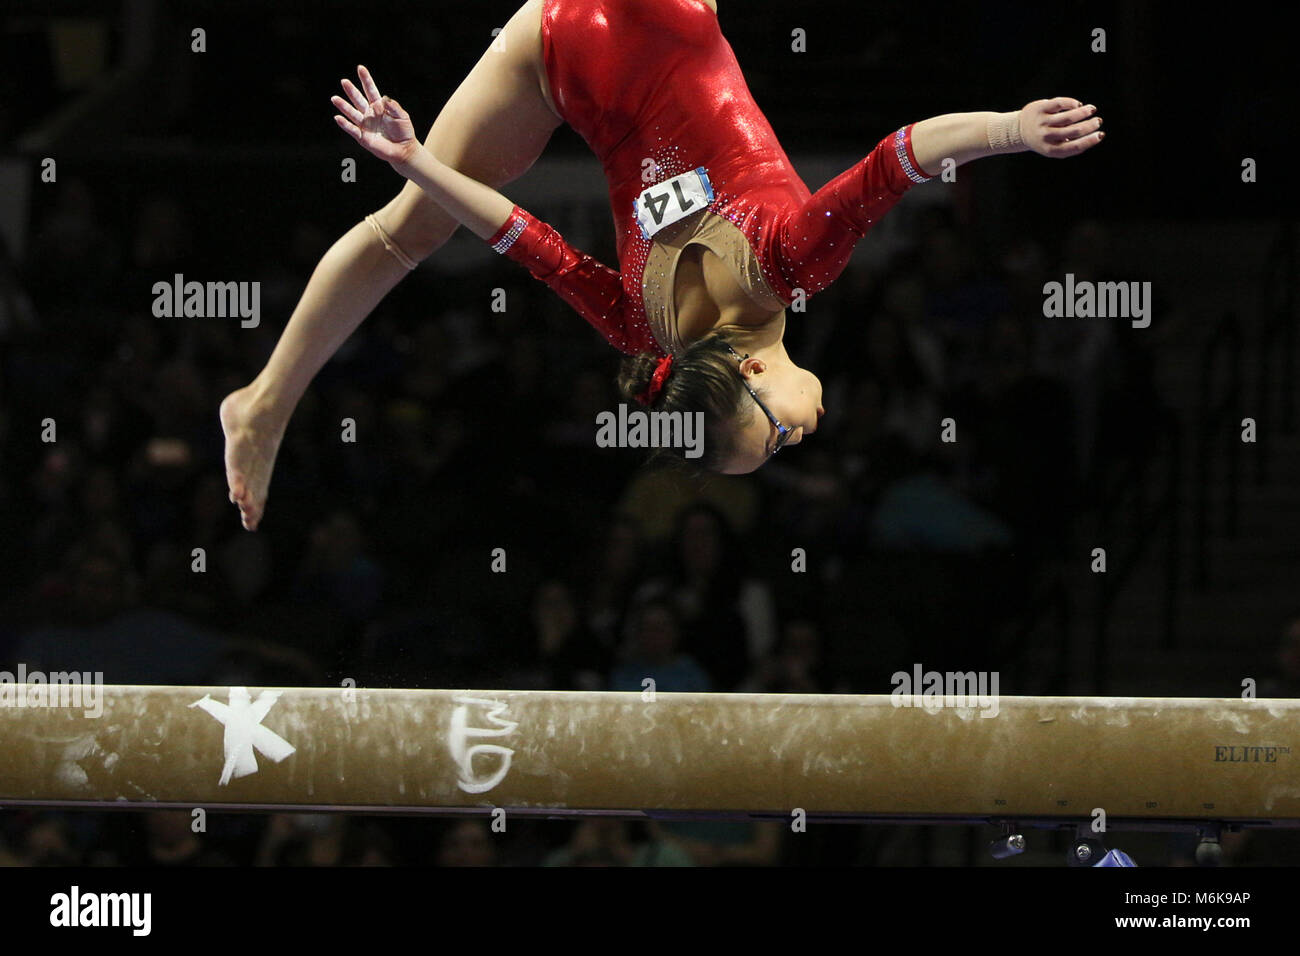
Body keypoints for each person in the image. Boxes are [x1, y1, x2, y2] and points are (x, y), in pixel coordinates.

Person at [222, 0, 1103, 527]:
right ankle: (264, 402)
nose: (808, 429)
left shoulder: (788, 267)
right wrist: (418, 165)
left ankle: (264, 403)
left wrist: (1014, 132)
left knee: (404, 232)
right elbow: (528, 241)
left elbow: (899, 156)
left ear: (753, 373)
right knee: (403, 231)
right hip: (556, 53)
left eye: (783, 433)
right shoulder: (642, 332)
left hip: (648, 19)